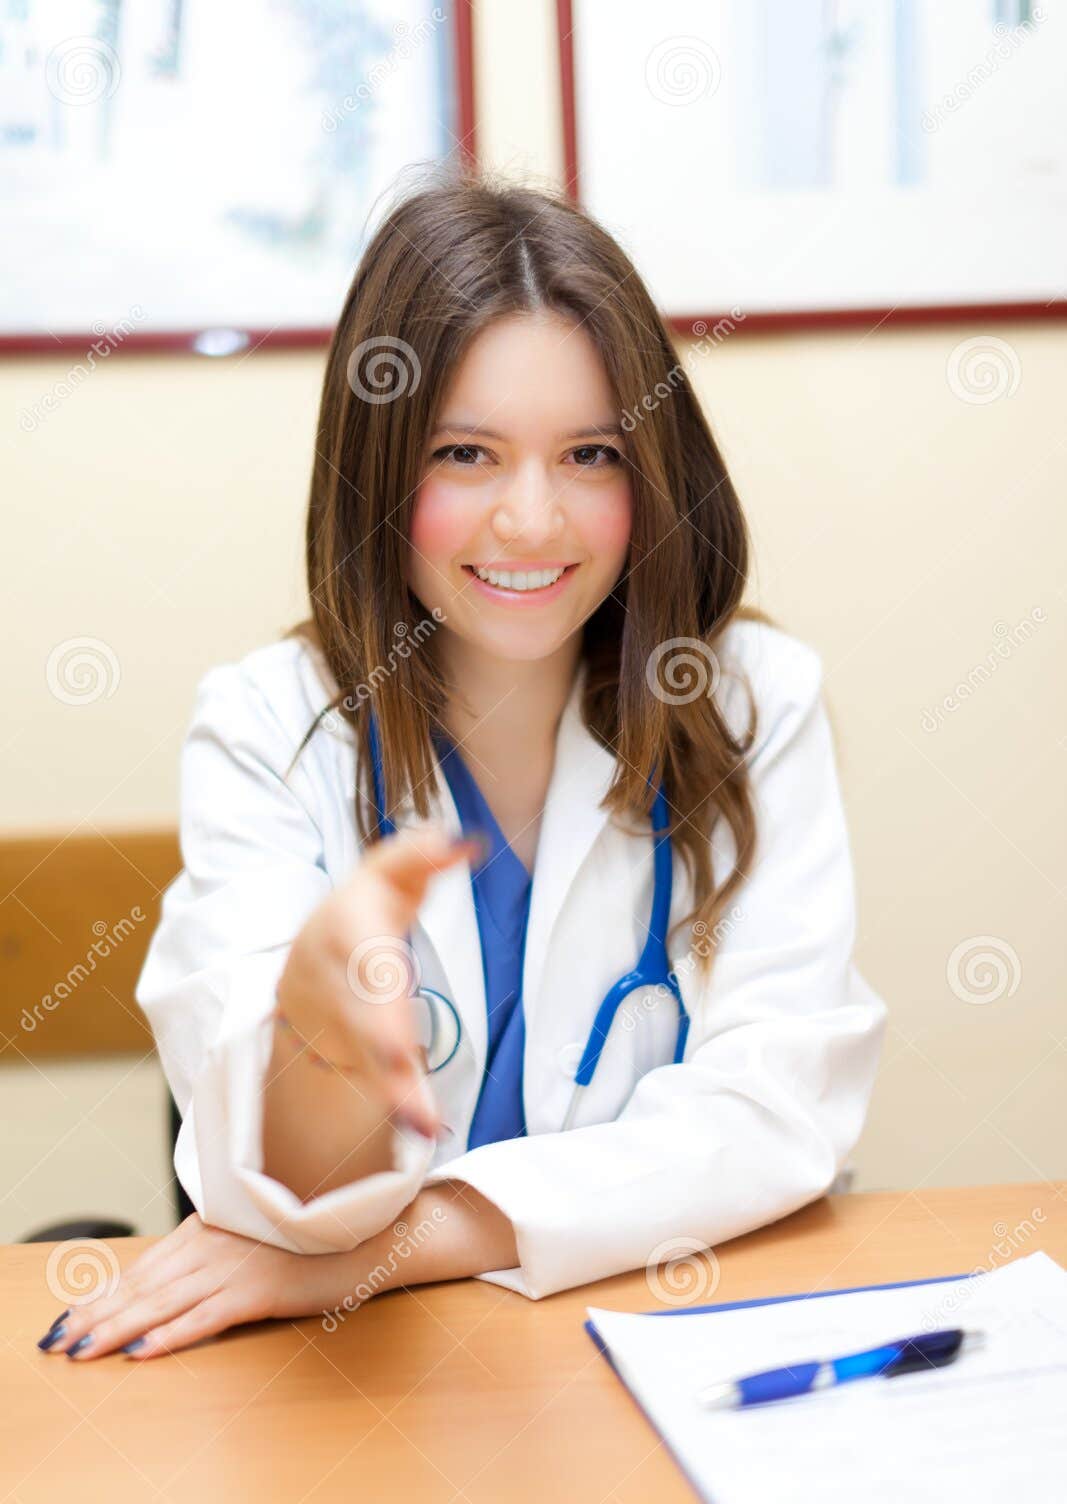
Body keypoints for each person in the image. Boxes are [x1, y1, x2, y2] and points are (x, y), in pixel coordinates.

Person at [39, 168, 886, 1363]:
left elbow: (776, 1115)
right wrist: (321, 1053)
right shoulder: (270, 728)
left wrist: (394, 1244)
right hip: (374, 1394)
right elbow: (275, 1181)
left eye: (591, 453)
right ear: (379, 470)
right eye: (466, 455)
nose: (532, 521)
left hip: (660, 1354)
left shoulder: (746, 706)